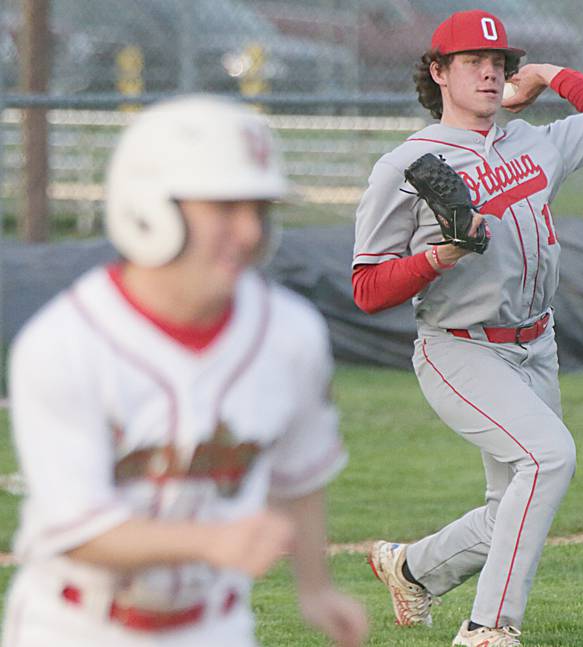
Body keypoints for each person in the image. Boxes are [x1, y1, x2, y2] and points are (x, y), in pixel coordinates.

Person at [2, 95, 368, 647]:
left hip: (214, 625)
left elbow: (301, 475)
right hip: (73, 625)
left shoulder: (291, 333)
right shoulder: (64, 344)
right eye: (224, 207)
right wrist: (209, 543)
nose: (248, 232)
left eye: (260, 209)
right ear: (149, 205)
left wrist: (315, 589)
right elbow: (75, 530)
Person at [353, 9, 583, 647]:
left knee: (509, 504)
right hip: (461, 350)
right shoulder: (407, 165)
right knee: (550, 456)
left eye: (500, 63)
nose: (490, 72)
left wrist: (546, 75)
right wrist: (438, 257)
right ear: (438, 72)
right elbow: (367, 289)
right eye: (472, 63)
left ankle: (412, 568)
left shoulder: (533, 143)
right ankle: (489, 627)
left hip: (537, 343)